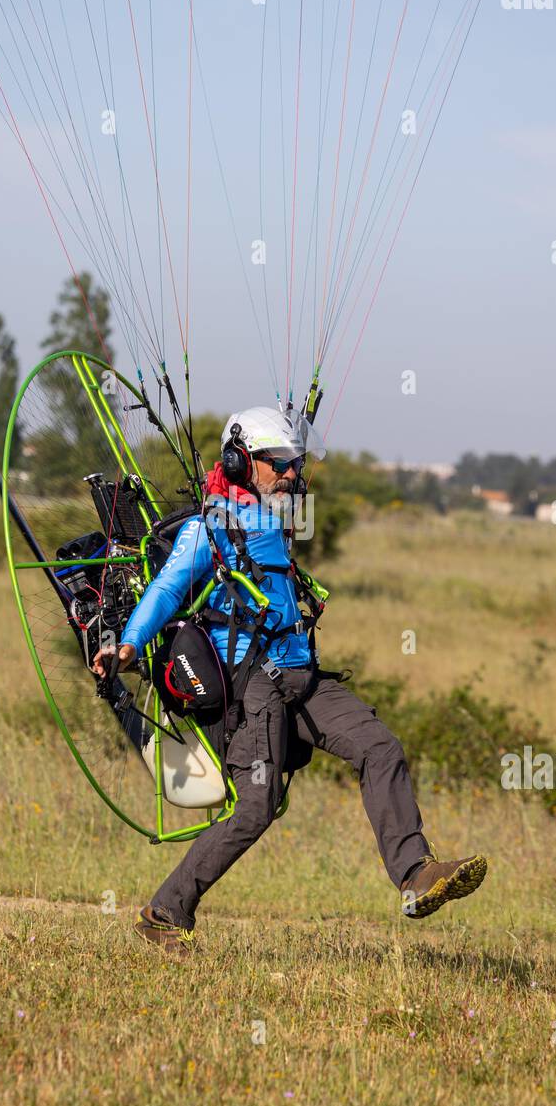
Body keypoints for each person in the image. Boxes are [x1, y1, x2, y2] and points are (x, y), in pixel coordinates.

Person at [93, 406, 487, 955]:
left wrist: (292, 421)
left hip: (304, 677)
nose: (290, 474)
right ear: (238, 461)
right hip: (257, 686)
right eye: (276, 463)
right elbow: (165, 589)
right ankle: (165, 913)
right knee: (256, 807)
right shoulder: (208, 527)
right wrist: (128, 645)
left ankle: (415, 875)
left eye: (293, 463)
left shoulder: (273, 519)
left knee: (380, 746)